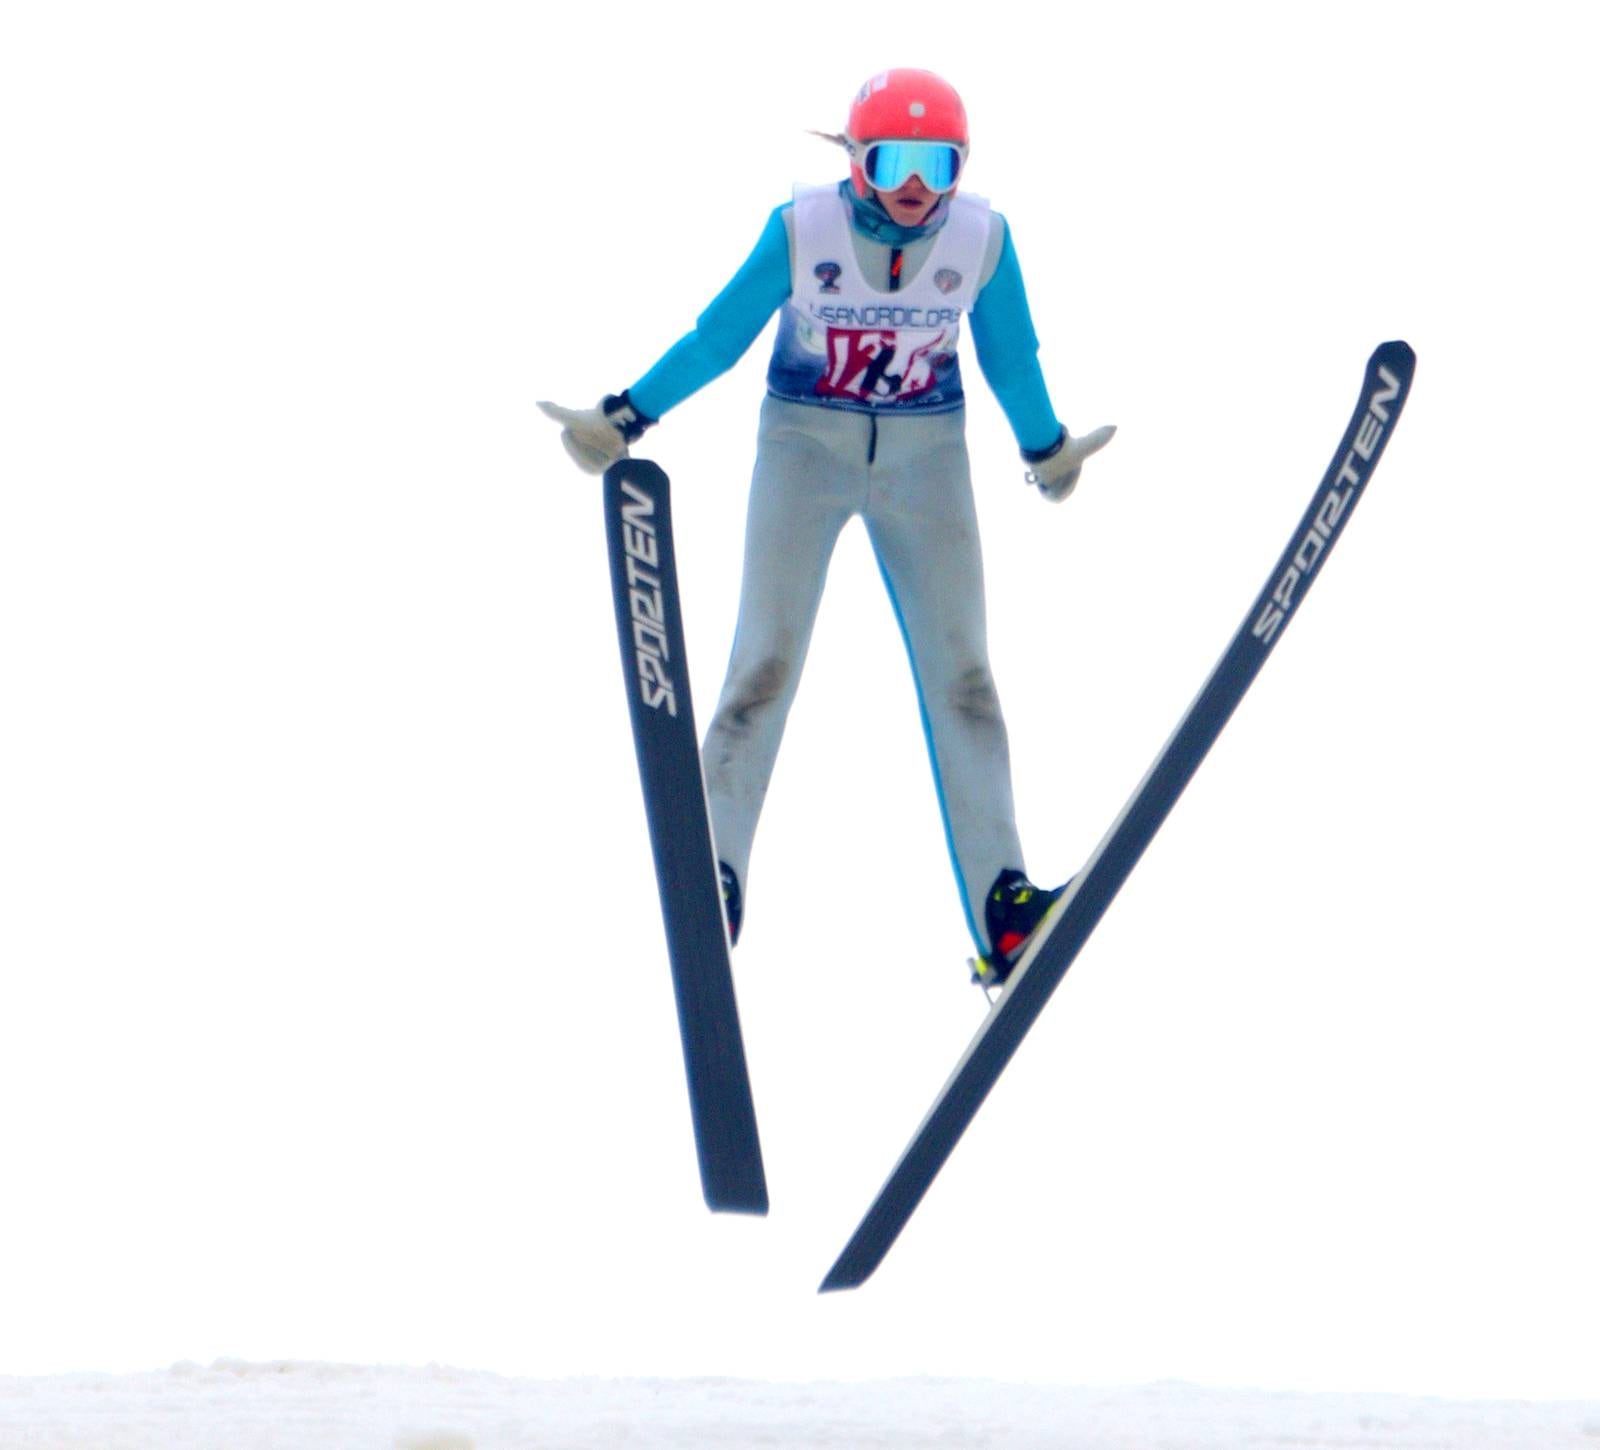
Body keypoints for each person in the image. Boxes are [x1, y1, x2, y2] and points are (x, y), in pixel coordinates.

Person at [541, 68, 1114, 987]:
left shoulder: (982, 240)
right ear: (855, 160)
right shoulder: (803, 230)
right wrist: (629, 413)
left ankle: (1003, 909)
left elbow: (1011, 355)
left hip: (927, 456)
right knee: (762, 665)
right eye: (892, 162)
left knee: (966, 680)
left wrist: (1045, 446)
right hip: (805, 446)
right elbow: (718, 336)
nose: (915, 186)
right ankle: (714, 870)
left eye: (939, 163)